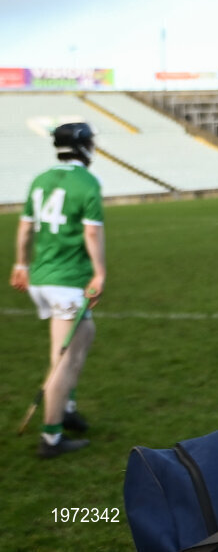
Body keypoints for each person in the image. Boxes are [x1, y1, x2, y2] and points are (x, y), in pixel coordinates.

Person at [10, 121, 106, 458]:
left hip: (41, 278)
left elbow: (25, 228)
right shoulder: (88, 182)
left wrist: (21, 264)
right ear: (82, 147)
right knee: (62, 360)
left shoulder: (40, 179)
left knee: (85, 334)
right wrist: (99, 273)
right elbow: (92, 233)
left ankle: (66, 407)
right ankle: (51, 437)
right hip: (65, 282)